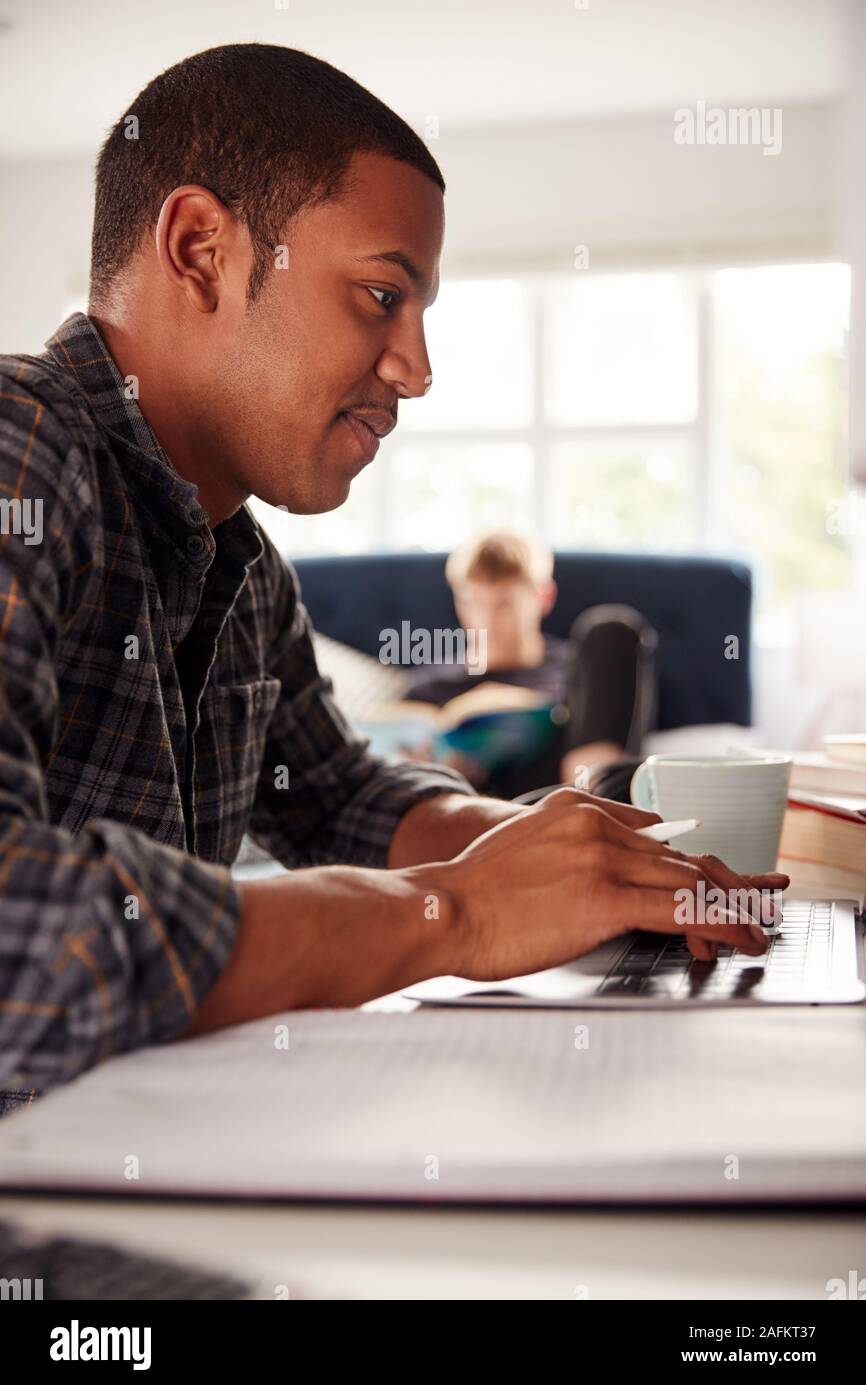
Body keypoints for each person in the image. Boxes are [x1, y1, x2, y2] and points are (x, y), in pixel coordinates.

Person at [0, 44, 784, 1110]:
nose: (416, 368)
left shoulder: (242, 566)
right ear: (199, 249)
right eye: (380, 294)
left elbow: (341, 797)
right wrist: (453, 912)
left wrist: (558, 850)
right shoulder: (20, 453)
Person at [403, 531, 658, 798]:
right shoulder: (428, 687)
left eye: (504, 604)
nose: (485, 620)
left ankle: (594, 798)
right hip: (478, 810)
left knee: (610, 629)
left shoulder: (584, 669)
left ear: (543, 597)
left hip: (571, 790)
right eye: (473, 602)